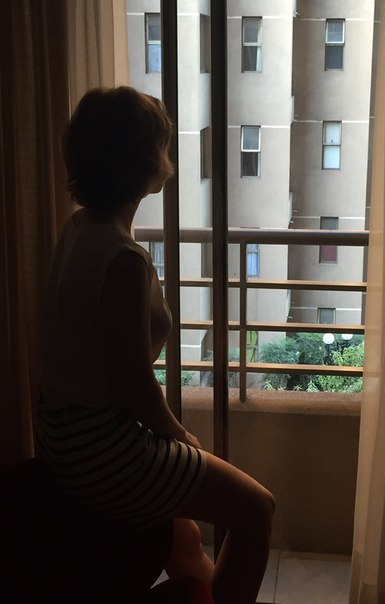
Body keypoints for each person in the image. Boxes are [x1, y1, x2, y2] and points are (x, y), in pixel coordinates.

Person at [35, 86, 275, 604]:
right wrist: (182, 436)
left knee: (183, 533)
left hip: (62, 435)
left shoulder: (77, 229)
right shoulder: (122, 258)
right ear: (144, 161)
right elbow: (135, 387)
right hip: (100, 446)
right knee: (256, 508)